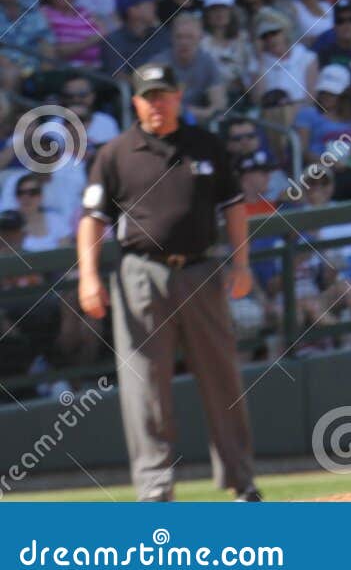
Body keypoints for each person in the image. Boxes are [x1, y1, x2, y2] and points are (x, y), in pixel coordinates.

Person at [75, 64, 260, 502]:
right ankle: (155, 490)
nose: (156, 103)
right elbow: (92, 219)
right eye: (148, 96)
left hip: (201, 270)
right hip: (141, 272)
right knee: (143, 384)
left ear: (179, 96)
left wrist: (241, 264)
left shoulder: (205, 144)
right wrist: (88, 276)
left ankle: (242, 482)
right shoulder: (116, 153)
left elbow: (234, 206)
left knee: (222, 378)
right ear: (135, 102)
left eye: (163, 94)